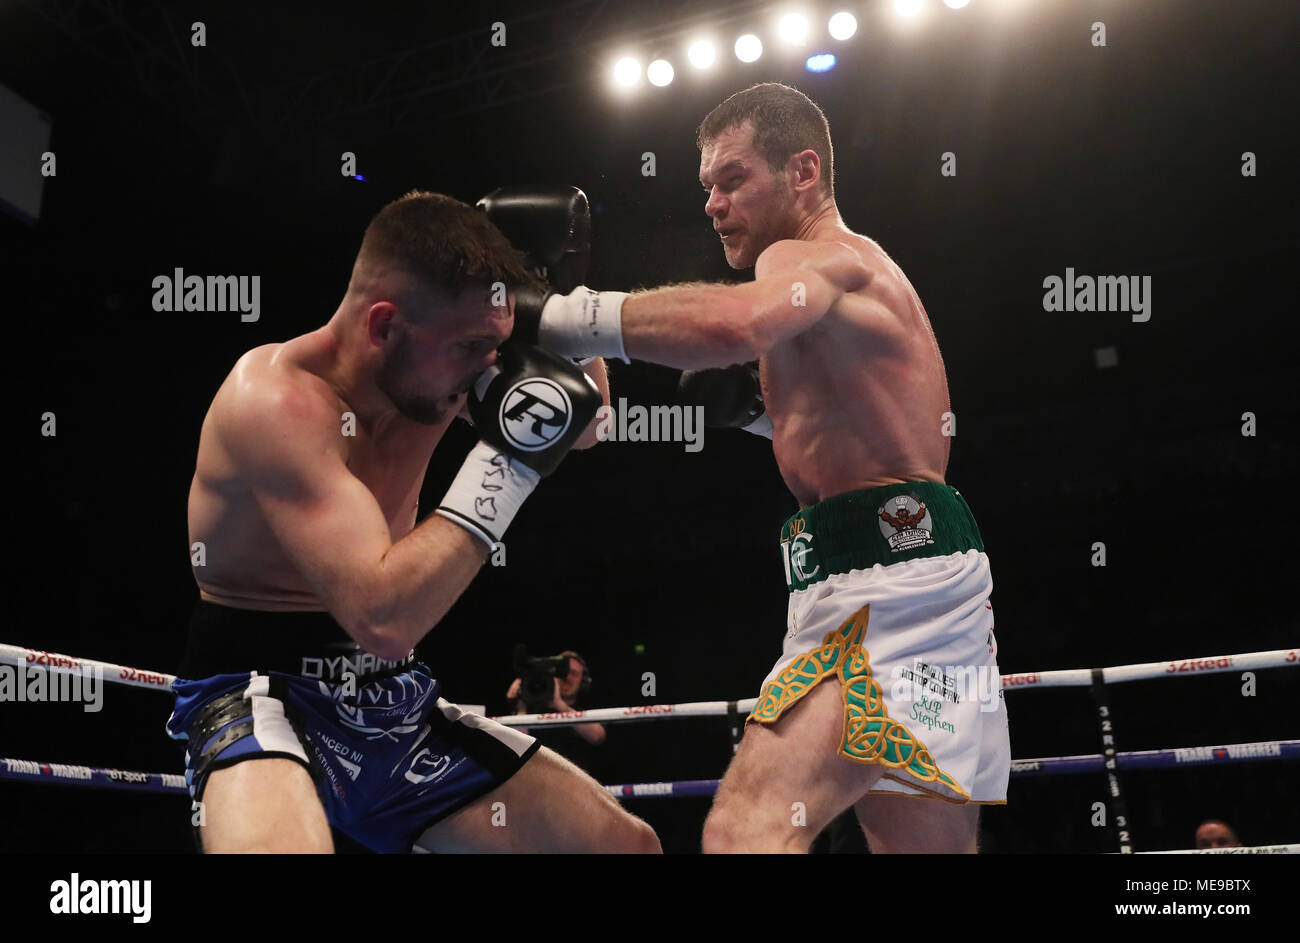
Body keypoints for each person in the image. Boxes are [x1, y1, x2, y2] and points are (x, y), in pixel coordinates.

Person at [508, 83, 1009, 853]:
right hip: (917, 570)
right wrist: (748, 412)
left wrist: (560, 315)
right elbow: (865, 427)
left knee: (746, 829)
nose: (713, 203)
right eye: (706, 185)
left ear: (803, 171)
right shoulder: (837, 291)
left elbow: (735, 322)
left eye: (732, 179)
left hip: (884, 591)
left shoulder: (814, 259)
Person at [167, 190, 660, 854]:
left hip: (389, 698)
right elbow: (384, 618)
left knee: (625, 845)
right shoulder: (274, 401)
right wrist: (511, 460)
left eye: (500, 344)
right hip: (257, 690)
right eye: (474, 345)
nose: (492, 366)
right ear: (383, 327)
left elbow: (590, 421)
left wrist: (563, 294)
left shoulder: (441, 369)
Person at [507, 651, 607, 776]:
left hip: (573, 783)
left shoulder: (586, 710)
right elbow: (519, 747)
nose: (567, 677)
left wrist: (559, 704)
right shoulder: (530, 711)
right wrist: (521, 707)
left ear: (583, 681)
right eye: (562, 671)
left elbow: (597, 736)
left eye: (574, 674)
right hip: (535, 781)